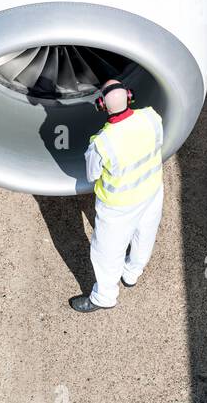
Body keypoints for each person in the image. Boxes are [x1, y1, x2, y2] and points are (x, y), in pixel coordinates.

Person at [70, 80, 165, 313]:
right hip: (152, 191)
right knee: (145, 234)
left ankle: (104, 297)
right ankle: (132, 273)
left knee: (106, 253)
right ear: (129, 96)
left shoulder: (103, 143)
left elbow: (92, 175)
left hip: (119, 206)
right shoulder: (152, 117)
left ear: (101, 105)